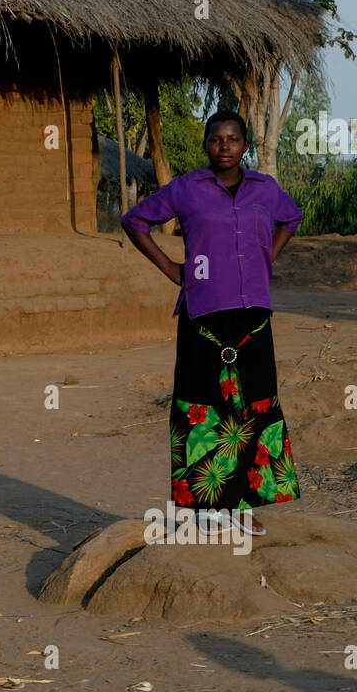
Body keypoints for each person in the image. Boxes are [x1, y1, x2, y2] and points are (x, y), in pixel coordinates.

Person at [121, 111, 302, 537]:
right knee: (202, 405)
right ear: (207, 145)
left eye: (233, 139)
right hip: (203, 311)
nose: (225, 146)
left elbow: (291, 219)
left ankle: (241, 505)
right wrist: (170, 268)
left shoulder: (264, 189)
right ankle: (205, 508)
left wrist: (266, 257)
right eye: (217, 139)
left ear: (245, 146)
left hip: (253, 313)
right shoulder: (186, 189)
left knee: (254, 402)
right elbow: (135, 221)